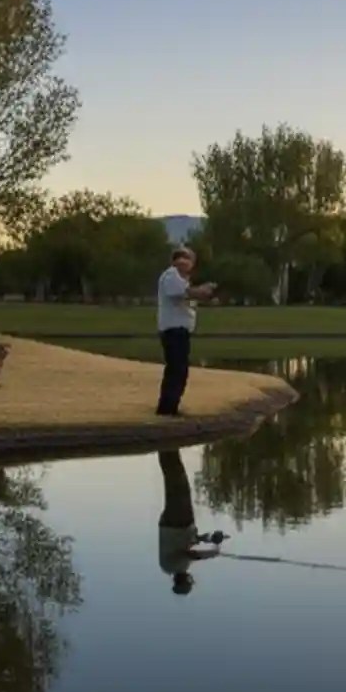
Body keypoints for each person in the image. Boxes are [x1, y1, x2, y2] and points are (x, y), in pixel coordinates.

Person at [156, 247, 215, 416]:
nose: (189, 265)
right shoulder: (171, 276)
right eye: (187, 260)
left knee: (178, 369)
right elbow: (183, 293)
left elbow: (189, 296)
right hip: (174, 331)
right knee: (177, 369)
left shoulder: (179, 279)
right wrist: (203, 290)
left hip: (180, 331)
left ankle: (170, 406)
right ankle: (167, 408)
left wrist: (204, 292)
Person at [157, 449, 220, 595]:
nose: (191, 579)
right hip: (180, 523)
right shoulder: (176, 566)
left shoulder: (172, 567)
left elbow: (190, 554)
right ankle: (168, 448)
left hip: (176, 523)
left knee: (176, 481)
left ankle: (166, 447)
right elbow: (187, 544)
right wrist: (206, 538)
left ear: (184, 581)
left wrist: (212, 553)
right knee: (177, 481)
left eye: (189, 582)